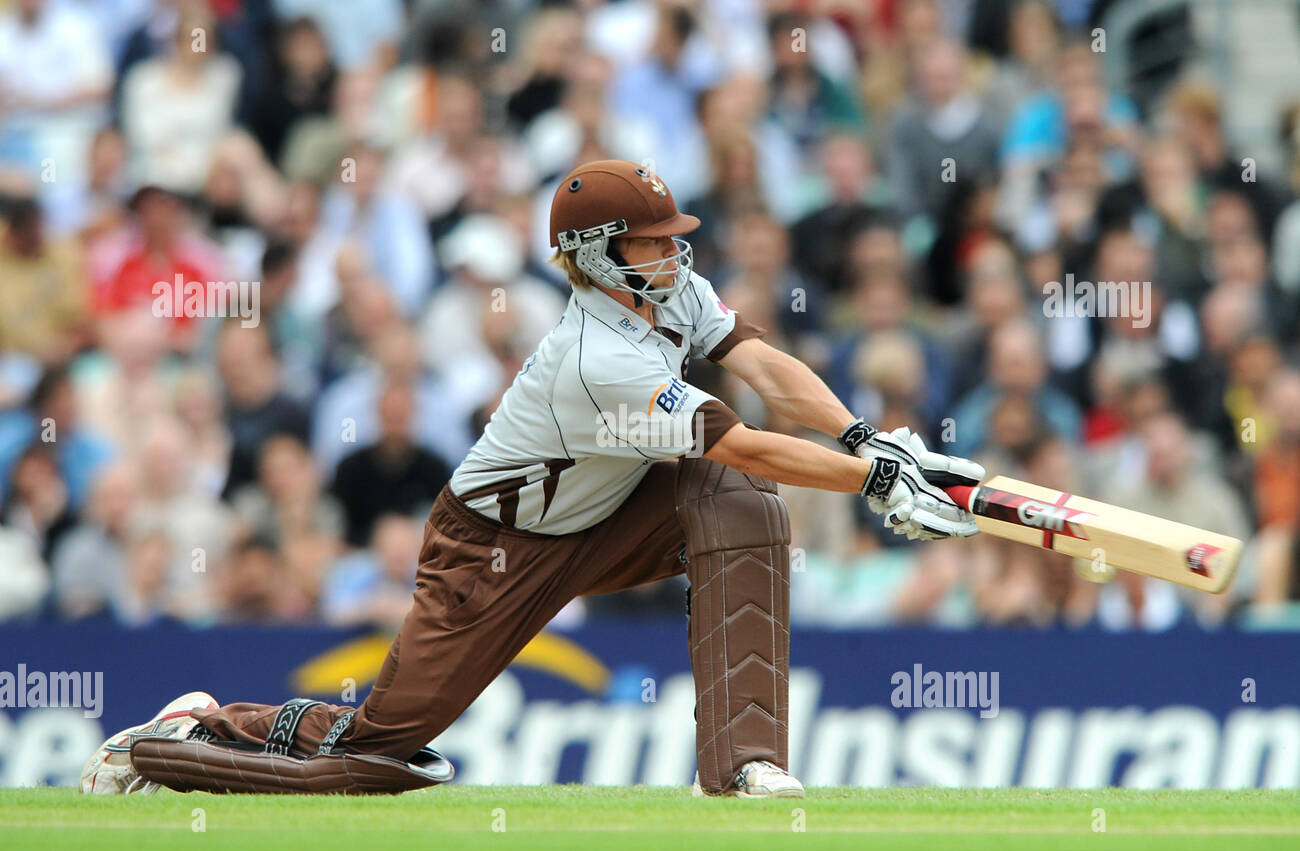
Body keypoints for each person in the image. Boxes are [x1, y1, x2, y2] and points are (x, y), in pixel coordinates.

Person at [82, 160, 984, 799]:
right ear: (596, 255)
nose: (675, 254)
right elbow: (740, 439)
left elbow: (763, 363)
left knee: (740, 508)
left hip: (606, 512)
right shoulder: (597, 358)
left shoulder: (667, 293)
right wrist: (869, 481)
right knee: (376, 754)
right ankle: (188, 735)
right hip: (494, 551)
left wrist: (871, 438)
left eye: (674, 238)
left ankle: (747, 764)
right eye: (653, 242)